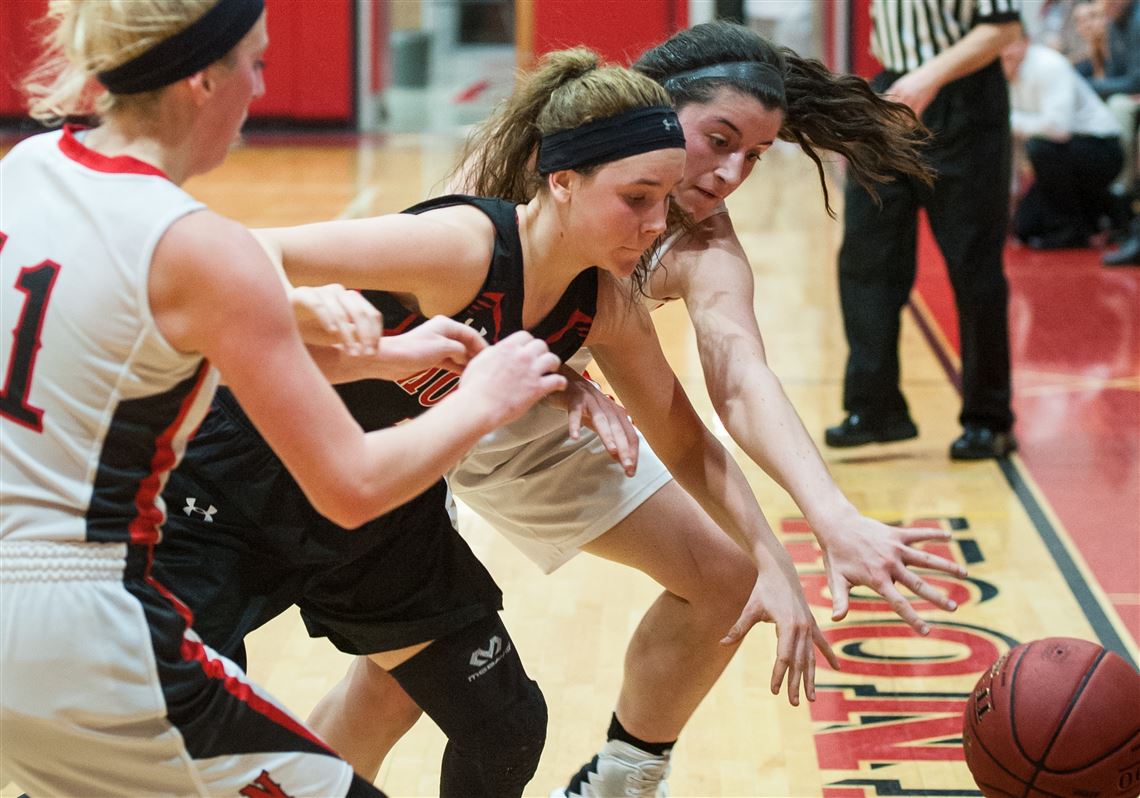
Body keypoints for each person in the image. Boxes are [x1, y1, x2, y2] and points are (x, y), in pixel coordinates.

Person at [286, 23, 972, 798]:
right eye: (718, 140)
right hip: (424, 387)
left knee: (726, 577)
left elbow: (737, 380)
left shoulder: (705, 244)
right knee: (397, 682)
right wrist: (560, 373)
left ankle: (619, 784)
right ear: (655, 112)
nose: (729, 173)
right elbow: (483, 288)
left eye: (754, 156)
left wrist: (828, 518)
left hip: (542, 410)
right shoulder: (532, 156)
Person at [154, 47, 836, 798]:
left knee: (505, 725)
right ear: (563, 180)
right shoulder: (458, 245)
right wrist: (351, 332)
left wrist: (772, 561)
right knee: (180, 754)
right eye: (637, 197)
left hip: (380, 506)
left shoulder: (604, 305)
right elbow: (234, 255)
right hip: (236, 485)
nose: (654, 225)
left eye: (665, 199)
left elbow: (683, 439)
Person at [0, 1, 567, 796]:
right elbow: (352, 486)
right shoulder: (199, 247)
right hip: (91, 629)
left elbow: (120, 339)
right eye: (255, 63)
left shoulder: (29, 166)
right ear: (203, 76)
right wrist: (482, 398)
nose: (261, 87)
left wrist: (378, 352)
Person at [825, 0, 1022, 461]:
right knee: (866, 257)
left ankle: (988, 418)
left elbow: (1002, 27)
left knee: (973, 265)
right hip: (894, 92)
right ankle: (876, 408)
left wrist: (929, 76)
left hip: (961, 99)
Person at [1002, 26, 1126, 248]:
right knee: (1024, 227)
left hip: (1101, 149)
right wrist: (1011, 202)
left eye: (1009, 43)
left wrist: (1008, 120)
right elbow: (1011, 143)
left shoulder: (1048, 64)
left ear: (1026, 42)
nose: (1003, 51)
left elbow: (1059, 130)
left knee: (1040, 147)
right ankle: (1104, 209)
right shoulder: (1003, 74)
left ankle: (1070, 232)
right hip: (1062, 158)